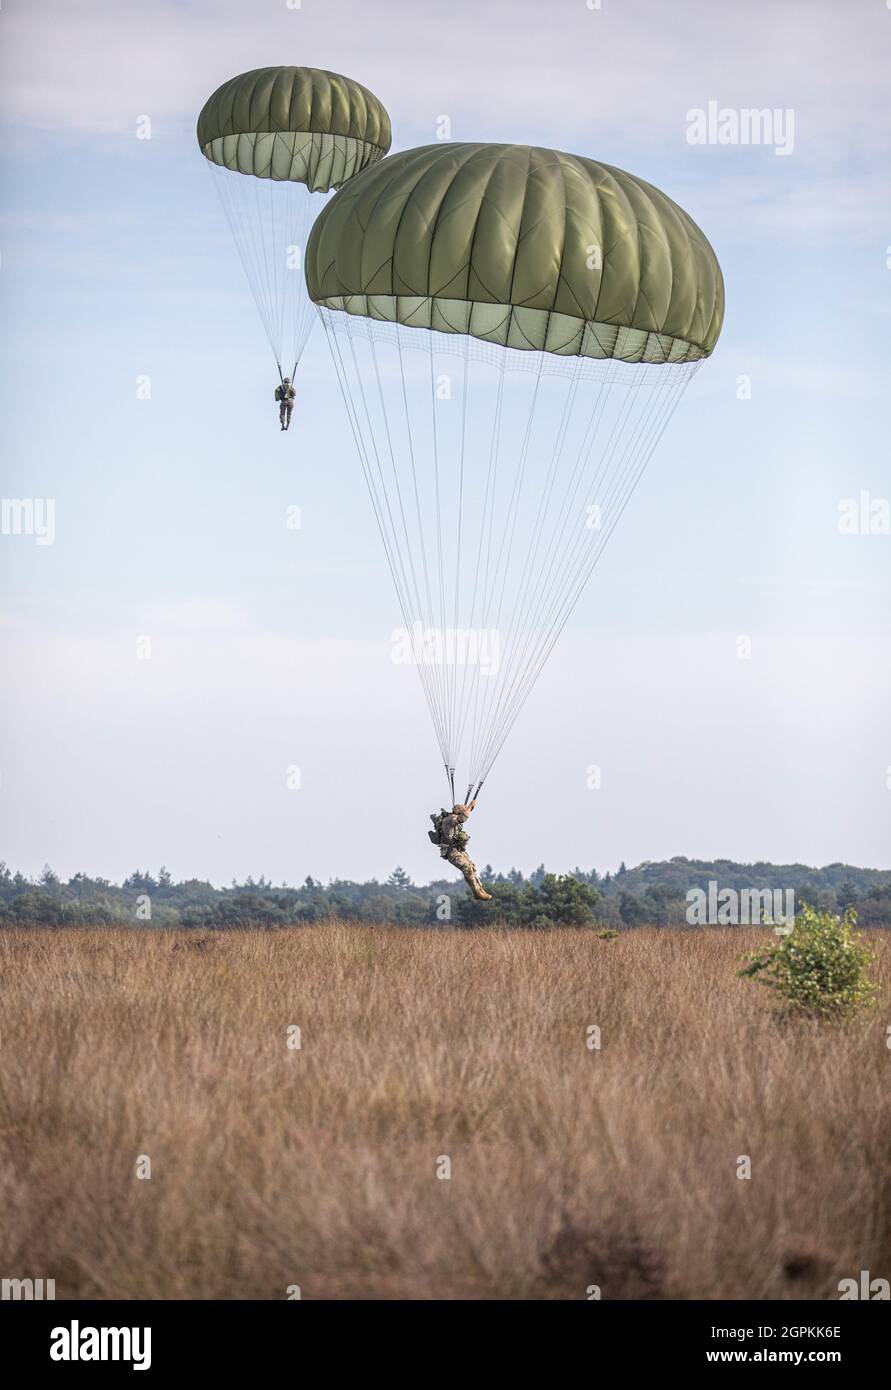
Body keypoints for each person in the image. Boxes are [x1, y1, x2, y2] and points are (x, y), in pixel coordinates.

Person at [428, 800, 492, 901]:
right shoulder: (449, 820)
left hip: (459, 850)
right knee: (467, 868)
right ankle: (476, 892)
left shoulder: (453, 818)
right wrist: (470, 806)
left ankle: (480, 889)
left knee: (471, 866)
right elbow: (463, 818)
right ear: (457, 812)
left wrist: (470, 808)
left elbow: (465, 815)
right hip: (451, 852)